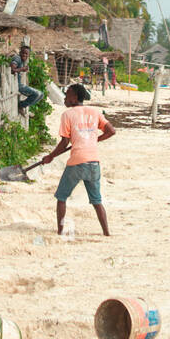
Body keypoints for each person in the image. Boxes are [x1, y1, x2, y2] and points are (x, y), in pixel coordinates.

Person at [41, 83, 114, 236]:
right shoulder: (94, 112)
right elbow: (111, 131)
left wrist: (50, 156)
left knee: (61, 197)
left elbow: (64, 142)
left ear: (74, 98)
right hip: (93, 162)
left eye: (67, 94)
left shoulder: (67, 115)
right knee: (96, 201)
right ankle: (106, 232)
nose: (65, 97)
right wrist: (93, 140)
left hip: (77, 162)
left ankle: (60, 231)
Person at [9, 45, 42, 111]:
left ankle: (23, 105)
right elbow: (12, 70)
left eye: (26, 54)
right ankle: (21, 105)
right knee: (36, 94)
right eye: (23, 53)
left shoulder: (22, 61)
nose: (24, 55)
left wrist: (22, 69)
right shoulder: (17, 58)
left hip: (19, 84)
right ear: (20, 53)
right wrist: (22, 69)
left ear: (28, 55)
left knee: (41, 94)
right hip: (16, 86)